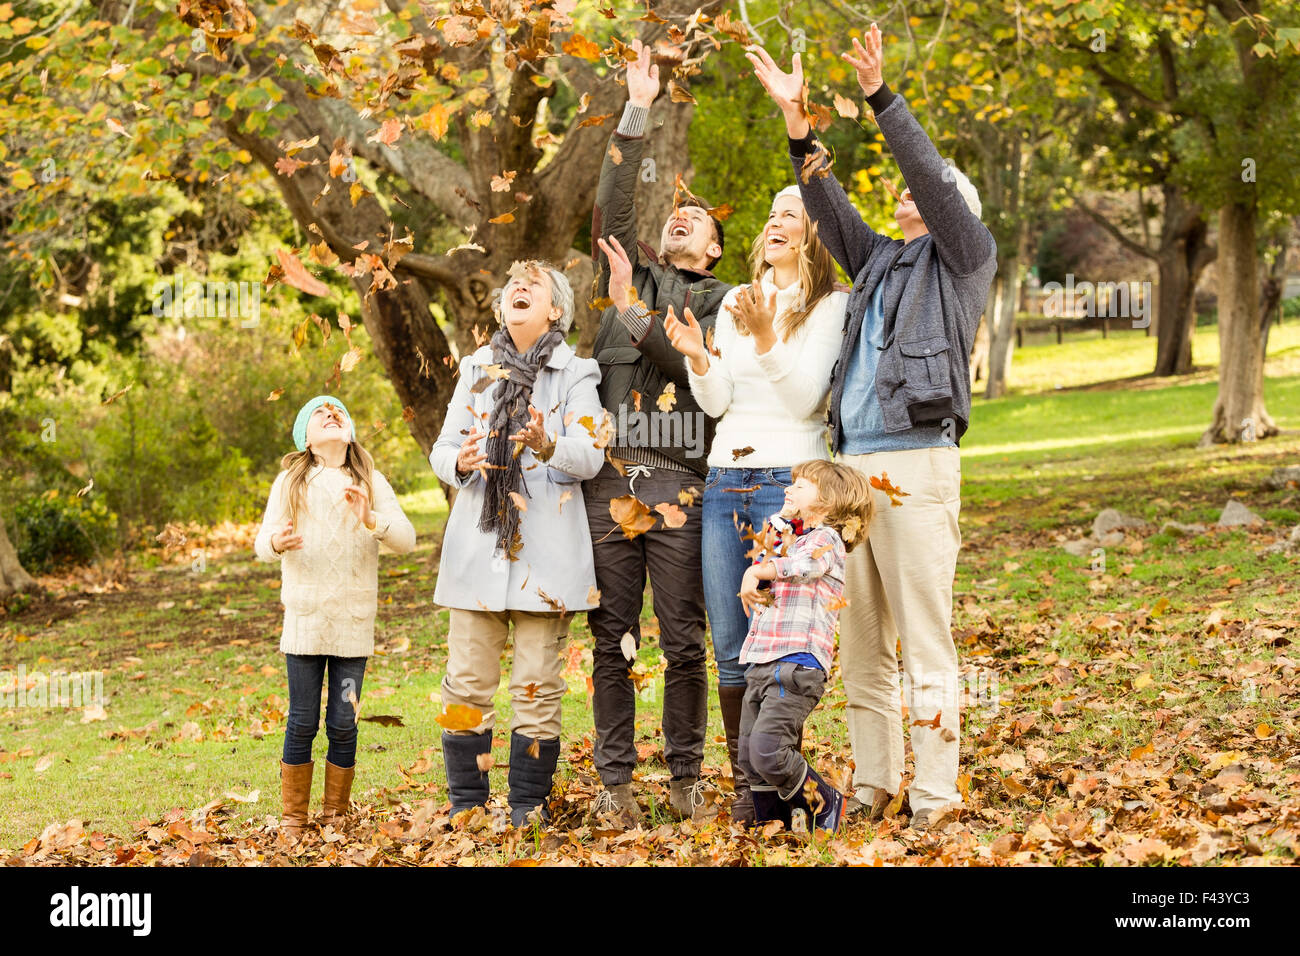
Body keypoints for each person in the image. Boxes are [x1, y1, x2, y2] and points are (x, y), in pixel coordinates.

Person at [747, 24, 997, 828]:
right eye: (897, 194)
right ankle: (875, 785)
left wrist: (881, 99)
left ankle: (935, 794)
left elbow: (924, 170)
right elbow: (828, 198)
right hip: (852, 475)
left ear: (951, 206)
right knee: (858, 645)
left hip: (918, 466)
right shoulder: (883, 260)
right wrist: (799, 127)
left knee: (925, 639)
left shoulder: (965, 257)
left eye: (918, 191)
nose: (901, 195)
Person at [662, 185, 845, 824]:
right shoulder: (739, 299)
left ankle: (785, 784)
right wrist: (699, 359)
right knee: (733, 643)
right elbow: (717, 402)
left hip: (783, 481)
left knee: (776, 643)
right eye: (770, 213)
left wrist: (767, 338)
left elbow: (802, 401)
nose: (774, 222)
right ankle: (754, 793)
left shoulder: (830, 304)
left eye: (789, 214)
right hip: (723, 479)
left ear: (813, 234)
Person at [586, 37, 734, 823]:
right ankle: (615, 789)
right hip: (610, 477)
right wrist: (637, 110)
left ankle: (686, 780)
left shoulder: (725, 303)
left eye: (697, 221)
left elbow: (696, 376)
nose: (682, 218)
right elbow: (613, 203)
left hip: (682, 478)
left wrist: (637, 316)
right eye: (676, 214)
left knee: (683, 639)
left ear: (713, 249)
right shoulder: (630, 272)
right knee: (611, 637)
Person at [429, 260, 604, 828]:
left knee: (535, 685)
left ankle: (528, 806)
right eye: (513, 285)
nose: (519, 288)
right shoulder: (479, 367)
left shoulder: (576, 372)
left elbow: (591, 454)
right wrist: (459, 460)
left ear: (556, 308)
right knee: (466, 683)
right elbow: (445, 446)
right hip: (479, 546)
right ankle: (468, 806)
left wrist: (549, 444)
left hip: (545, 557)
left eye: (535, 283)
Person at [254, 395, 416, 842]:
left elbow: (407, 539)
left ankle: (335, 814)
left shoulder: (370, 480)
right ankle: (293, 818)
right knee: (302, 719)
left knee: (344, 721)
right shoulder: (291, 481)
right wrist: (276, 543)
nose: (332, 414)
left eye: (339, 411)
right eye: (320, 413)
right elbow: (262, 541)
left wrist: (371, 518)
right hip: (305, 625)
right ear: (305, 438)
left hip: (352, 625)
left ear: (350, 432)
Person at [735, 460, 874, 833]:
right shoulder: (795, 539)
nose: (789, 489)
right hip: (763, 661)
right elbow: (766, 559)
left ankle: (825, 802)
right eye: (790, 484)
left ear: (828, 502)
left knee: (768, 750)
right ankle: (772, 822)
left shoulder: (826, 541)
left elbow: (800, 566)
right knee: (750, 755)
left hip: (795, 666)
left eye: (801, 485)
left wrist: (759, 573)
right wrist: (780, 522)